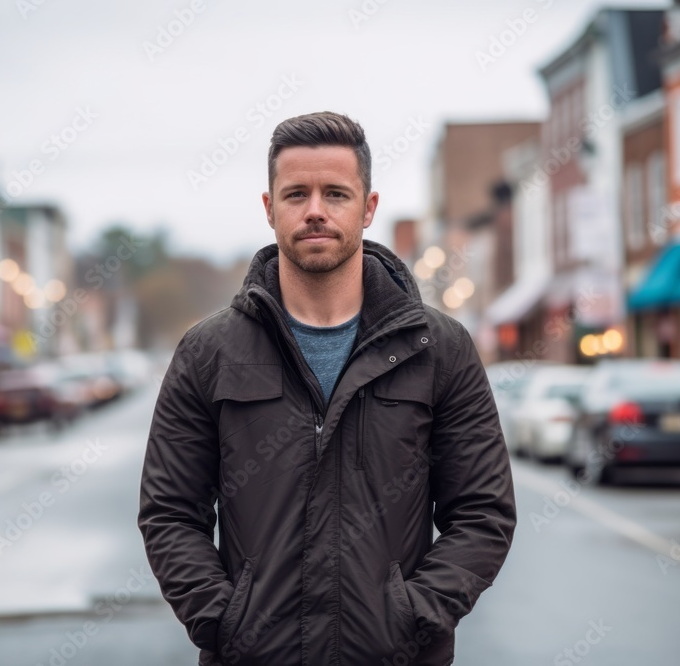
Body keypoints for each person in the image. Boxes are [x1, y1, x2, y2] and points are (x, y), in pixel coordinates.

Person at [138, 111, 516, 666]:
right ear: (269, 209)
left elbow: (483, 512)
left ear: (368, 208)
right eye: (296, 194)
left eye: (336, 193)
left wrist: (414, 618)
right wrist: (222, 620)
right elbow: (170, 511)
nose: (315, 210)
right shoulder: (208, 352)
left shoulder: (440, 349)